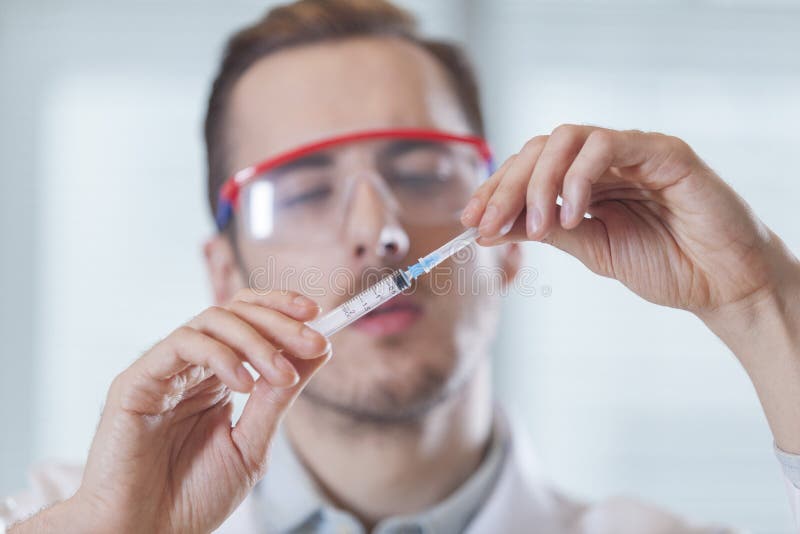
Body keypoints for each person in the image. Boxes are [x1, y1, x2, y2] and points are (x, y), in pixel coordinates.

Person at [3, 1, 799, 533]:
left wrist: (765, 301)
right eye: (306, 190)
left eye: (421, 172)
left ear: (514, 238)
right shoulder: (75, 515)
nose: (379, 232)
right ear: (223, 274)